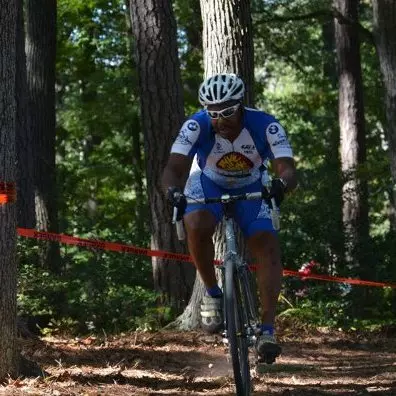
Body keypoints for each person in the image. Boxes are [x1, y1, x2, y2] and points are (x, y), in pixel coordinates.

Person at [162, 73, 297, 363]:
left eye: (227, 112)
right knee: (196, 224)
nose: (219, 120)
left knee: (267, 244)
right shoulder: (195, 125)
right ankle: (213, 293)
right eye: (213, 113)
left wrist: (281, 184)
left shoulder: (265, 124)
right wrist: (173, 191)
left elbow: (287, 169)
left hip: (251, 182)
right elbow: (174, 168)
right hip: (208, 180)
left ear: (240, 105)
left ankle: (268, 329)